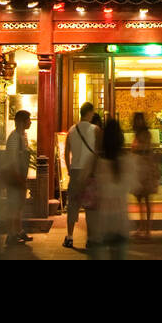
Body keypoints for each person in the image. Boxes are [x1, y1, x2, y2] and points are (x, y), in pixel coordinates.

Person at [85, 117, 134, 260]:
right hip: (120, 222)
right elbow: (133, 185)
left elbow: (84, 183)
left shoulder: (95, 161)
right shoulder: (127, 161)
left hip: (101, 224)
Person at [62, 102, 100, 249]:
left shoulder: (72, 130)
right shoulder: (95, 129)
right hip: (89, 172)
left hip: (75, 171)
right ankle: (90, 239)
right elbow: (97, 152)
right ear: (89, 113)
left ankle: (70, 237)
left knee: (73, 205)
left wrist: (69, 168)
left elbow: (66, 151)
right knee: (90, 206)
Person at [3, 110, 33, 248]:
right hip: (15, 176)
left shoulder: (23, 136)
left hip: (21, 174)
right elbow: (12, 160)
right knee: (13, 206)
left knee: (19, 205)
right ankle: (11, 234)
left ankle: (18, 231)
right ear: (21, 122)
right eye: (28, 120)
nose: (30, 122)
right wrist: (18, 177)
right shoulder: (14, 138)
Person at [130, 112, 159, 241]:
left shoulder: (146, 134)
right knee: (139, 199)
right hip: (139, 167)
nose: (138, 122)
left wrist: (136, 148)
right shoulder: (137, 134)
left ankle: (148, 229)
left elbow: (145, 148)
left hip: (146, 168)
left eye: (140, 120)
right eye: (137, 120)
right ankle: (142, 227)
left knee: (146, 200)